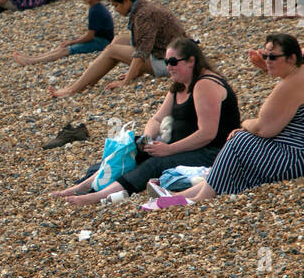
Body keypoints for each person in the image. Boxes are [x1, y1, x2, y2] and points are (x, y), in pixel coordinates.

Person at [54, 38, 240, 205]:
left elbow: (207, 134)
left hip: (213, 153)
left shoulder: (205, 84)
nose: (169, 67)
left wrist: (168, 149)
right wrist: (147, 137)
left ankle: (95, 197)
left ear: (191, 61)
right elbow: (157, 118)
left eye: (174, 62)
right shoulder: (180, 84)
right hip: (183, 146)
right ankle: (84, 187)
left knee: (155, 163)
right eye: (167, 62)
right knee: (130, 147)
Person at [152, 34, 304, 208]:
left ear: (292, 58)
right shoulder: (298, 74)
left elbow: (264, 129)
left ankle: (200, 198)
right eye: (265, 56)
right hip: (295, 153)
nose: (267, 61)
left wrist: (245, 125)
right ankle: (180, 195)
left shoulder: (291, 84)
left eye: (273, 57)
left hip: (294, 160)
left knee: (239, 141)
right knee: (241, 147)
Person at [48, 0, 185, 100]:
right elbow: (144, 43)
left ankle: (74, 89)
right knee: (119, 40)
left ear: (126, 1)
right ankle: (91, 77)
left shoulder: (144, 15)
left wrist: (126, 81)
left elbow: (142, 52)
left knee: (111, 50)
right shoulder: (144, 7)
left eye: (116, 5)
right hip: (172, 52)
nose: (116, 10)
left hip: (171, 63)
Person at [12, 0, 113, 66]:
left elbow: (90, 36)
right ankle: (34, 58)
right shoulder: (97, 7)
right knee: (63, 47)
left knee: (65, 50)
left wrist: (72, 42)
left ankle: (33, 61)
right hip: (100, 40)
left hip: (102, 43)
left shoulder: (95, 10)